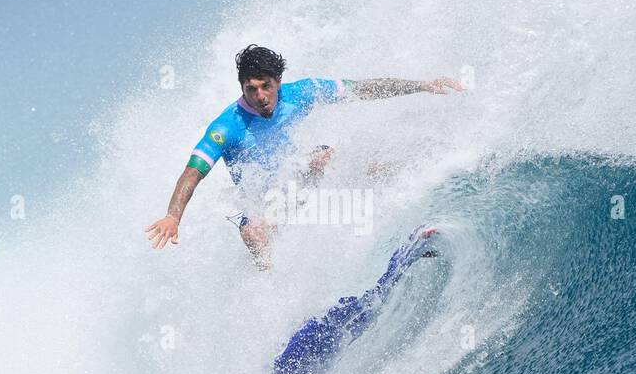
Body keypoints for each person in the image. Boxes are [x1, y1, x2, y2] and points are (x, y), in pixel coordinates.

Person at [145, 44, 463, 264]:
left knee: (326, 155)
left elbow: (363, 89)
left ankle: (412, 187)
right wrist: (173, 216)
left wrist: (422, 85)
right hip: (265, 203)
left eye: (266, 86)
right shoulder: (227, 126)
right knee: (251, 231)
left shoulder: (302, 92)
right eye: (250, 89)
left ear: (278, 82)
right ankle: (271, 288)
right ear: (242, 87)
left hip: (302, 179)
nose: (260, 96)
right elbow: (193, 171)